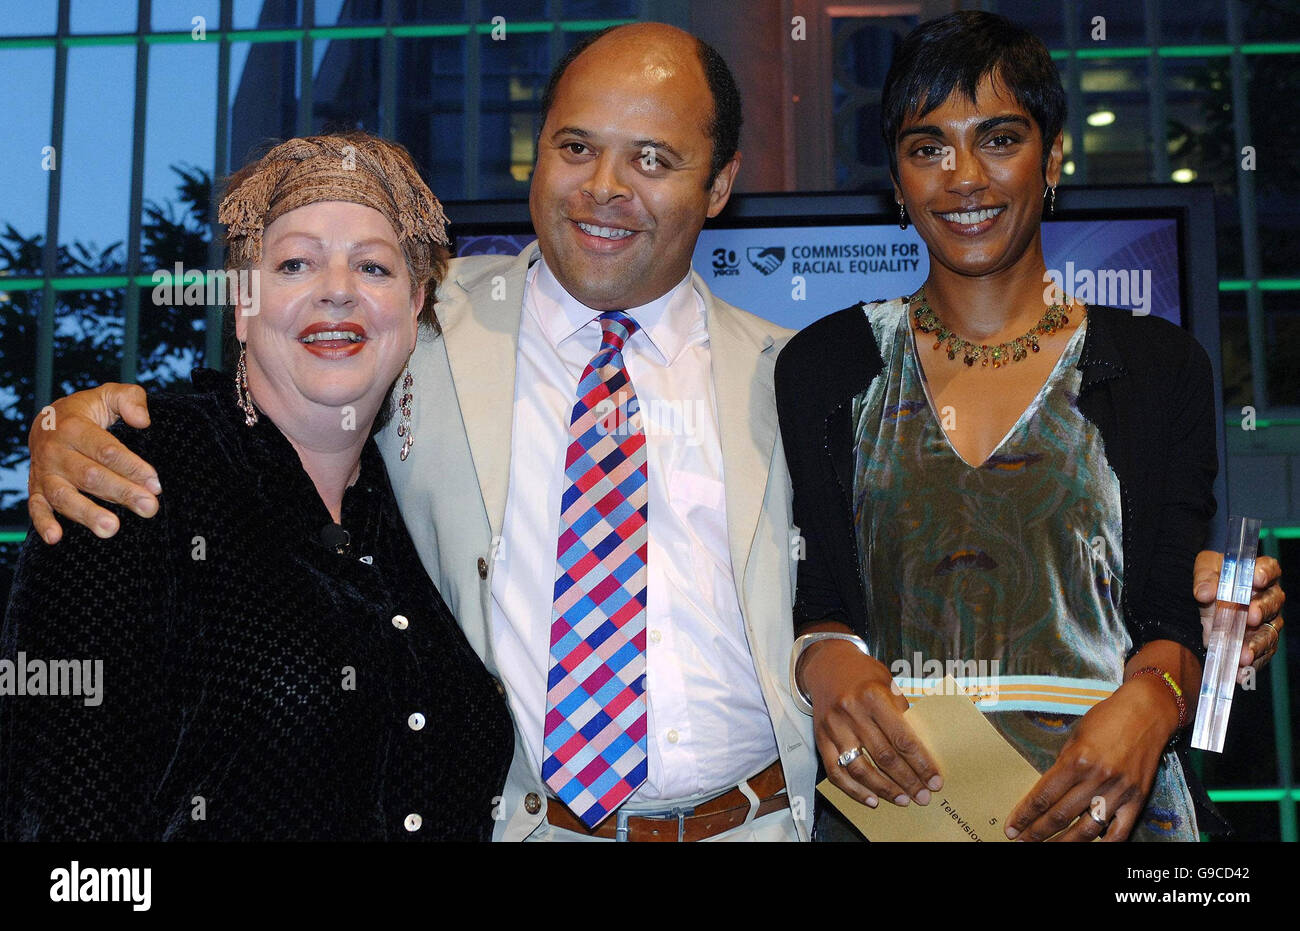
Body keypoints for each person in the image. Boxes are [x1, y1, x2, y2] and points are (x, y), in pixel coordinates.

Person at [21, 21, 1285, 843]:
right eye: (576, 148)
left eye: (652, 159)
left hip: (771, 827)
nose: (606, 190)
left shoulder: (795, 372)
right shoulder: (425, 317)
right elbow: (289, 367)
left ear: (719, 186)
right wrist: (93, 418)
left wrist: (1182, 661)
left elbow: (895, 577)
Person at [776, 10, 1263, 842]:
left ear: (1054, 157)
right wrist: (825, 659)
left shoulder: (1157, 366)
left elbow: (1170, 619)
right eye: (927, 147)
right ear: (896, 177)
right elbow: (815, 596)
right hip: (904, 813)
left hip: (1114, 810)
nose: (963, 176)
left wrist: (1153, 700)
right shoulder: (824, 366)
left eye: (999, 137)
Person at [1, 133, 514, 841]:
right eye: (296, 262)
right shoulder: (135, 472)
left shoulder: (416, 510)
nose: (338, 288)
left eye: (373, 265)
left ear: (415, 306)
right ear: (242, 307)